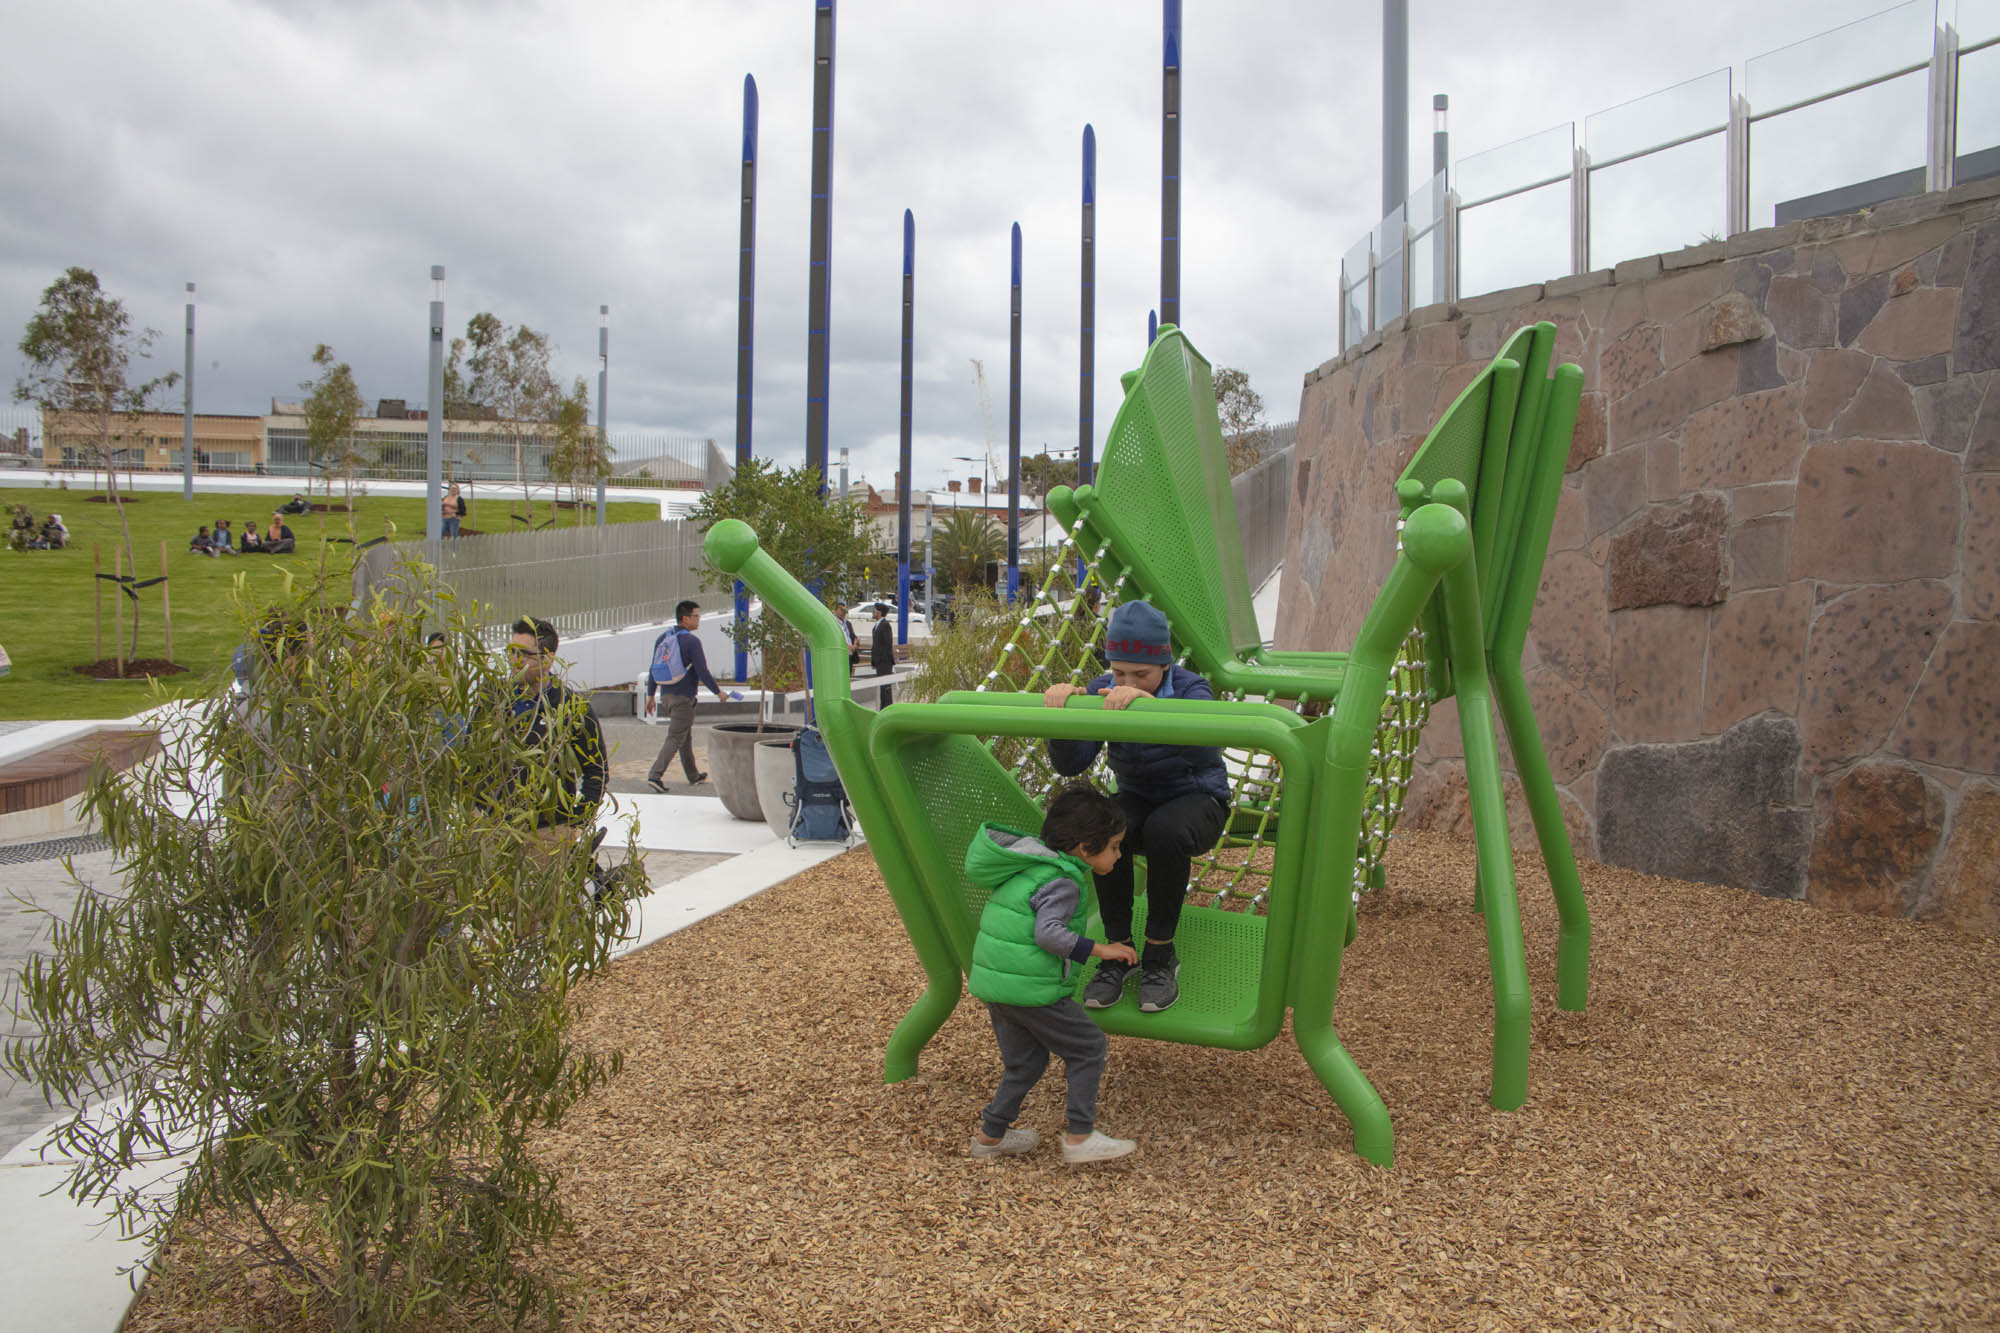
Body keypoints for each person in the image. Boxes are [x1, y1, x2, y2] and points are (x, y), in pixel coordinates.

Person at [1043, 600, 1228, 1015]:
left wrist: (1147, 707)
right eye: (1119, 671)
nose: (1127, 681)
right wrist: (1064, 716)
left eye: (1140, 675)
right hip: (1139, 798)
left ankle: (1160, 956)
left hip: (1198, 799)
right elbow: (1071, 764)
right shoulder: (1101, 688)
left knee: (1166, 830)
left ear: (1164, 664)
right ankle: (1118, 952)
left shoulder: (1191, 687)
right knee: (1104, 825)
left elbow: (1205, 751)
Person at [964, 783, 1139, 1165]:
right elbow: (1048, 935)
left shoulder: (1032, 865)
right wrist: (1102, 949)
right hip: (1030, 989)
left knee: (1026, 1063)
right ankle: (1080, 1137)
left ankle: (990, 1137)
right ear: (1084, 848)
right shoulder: (1062, 881)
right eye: (1114, 846)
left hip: (998, 985)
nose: (1119, 853)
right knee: (1088, 1047)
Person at [505, 617, 607, 841]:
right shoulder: (495, 702)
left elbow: (596, 771)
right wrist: (475, 811)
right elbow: (470, 765)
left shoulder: (571, 707)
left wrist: (577, 823)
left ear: (548, 659)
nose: (514, 660)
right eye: (511, 651)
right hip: (496, 829)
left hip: (548, 833)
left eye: (524, 654)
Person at [644, 599, 727, 792]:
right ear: (685, 618)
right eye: (696, 616)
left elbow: (654, 668)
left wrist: (650, 695)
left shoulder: (663, 638)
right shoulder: (692, 642)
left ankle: (693, 775)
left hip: (666, 695)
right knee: (675, 737)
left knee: (684, 736)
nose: (698, 620)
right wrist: (718, 692)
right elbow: (702, 671)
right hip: (683, 698)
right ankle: (655, 776)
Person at [836, 603, 860, 668]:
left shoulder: (848, 623)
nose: (842, 613)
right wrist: (847, 646)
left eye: (844, 611)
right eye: (841, 610)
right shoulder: (833, 623)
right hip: (839, 655)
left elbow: (853, 636)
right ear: (836, 610)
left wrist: (855, 644)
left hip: (849, 654)